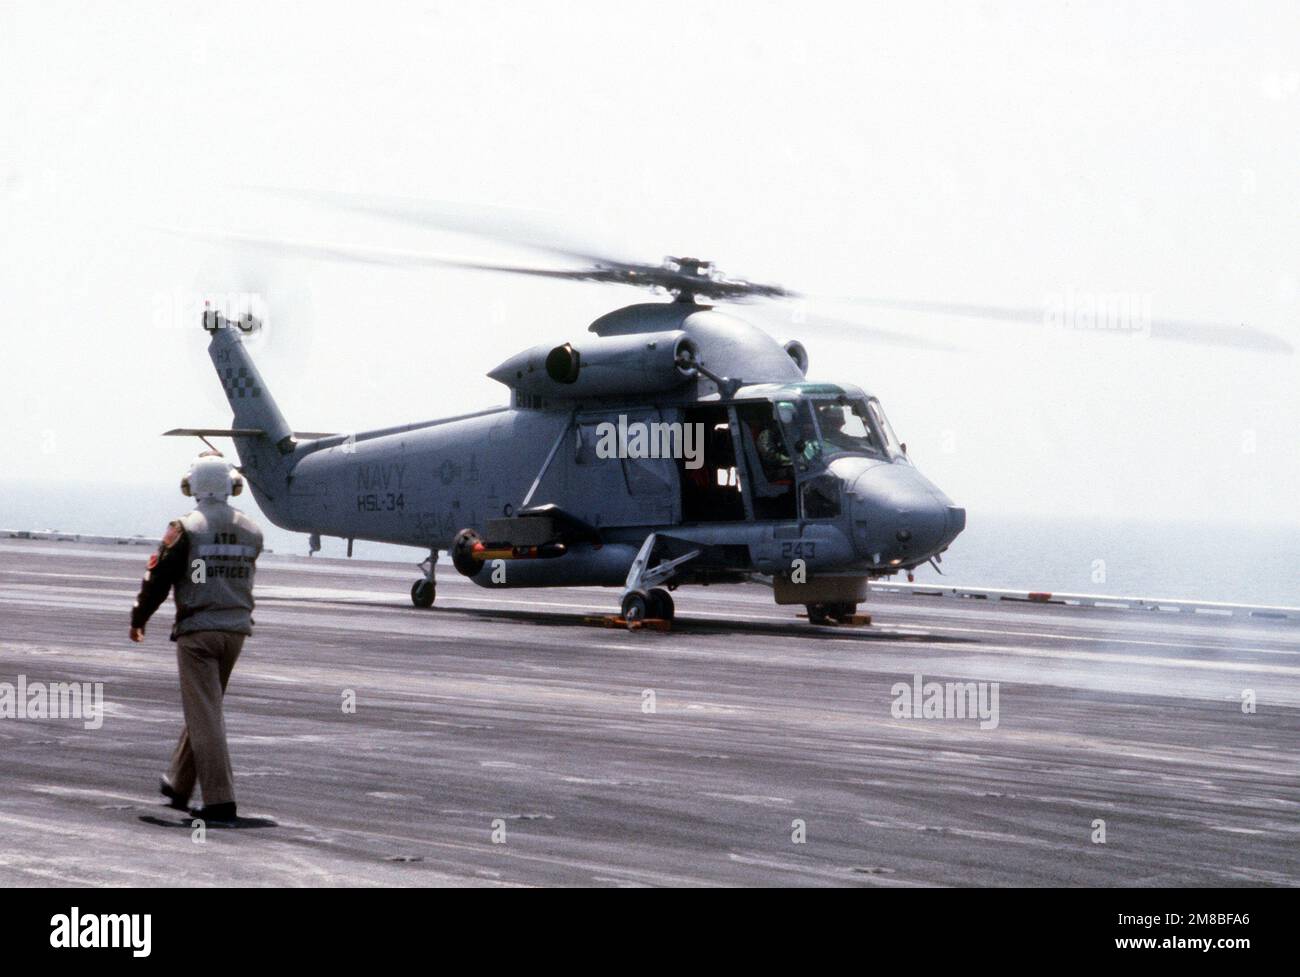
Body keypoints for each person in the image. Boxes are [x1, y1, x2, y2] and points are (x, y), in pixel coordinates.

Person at [129, 451, 263, 823]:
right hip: (235, 631)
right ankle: (178, 782)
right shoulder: (252, 530)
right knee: (204, 706)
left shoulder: (185, 528)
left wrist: (139, 618)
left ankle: (220, 799)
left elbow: (159, 580)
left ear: (193, 485)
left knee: (205, 714)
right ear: (230, 485)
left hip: (198, 633)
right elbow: (223, 574)